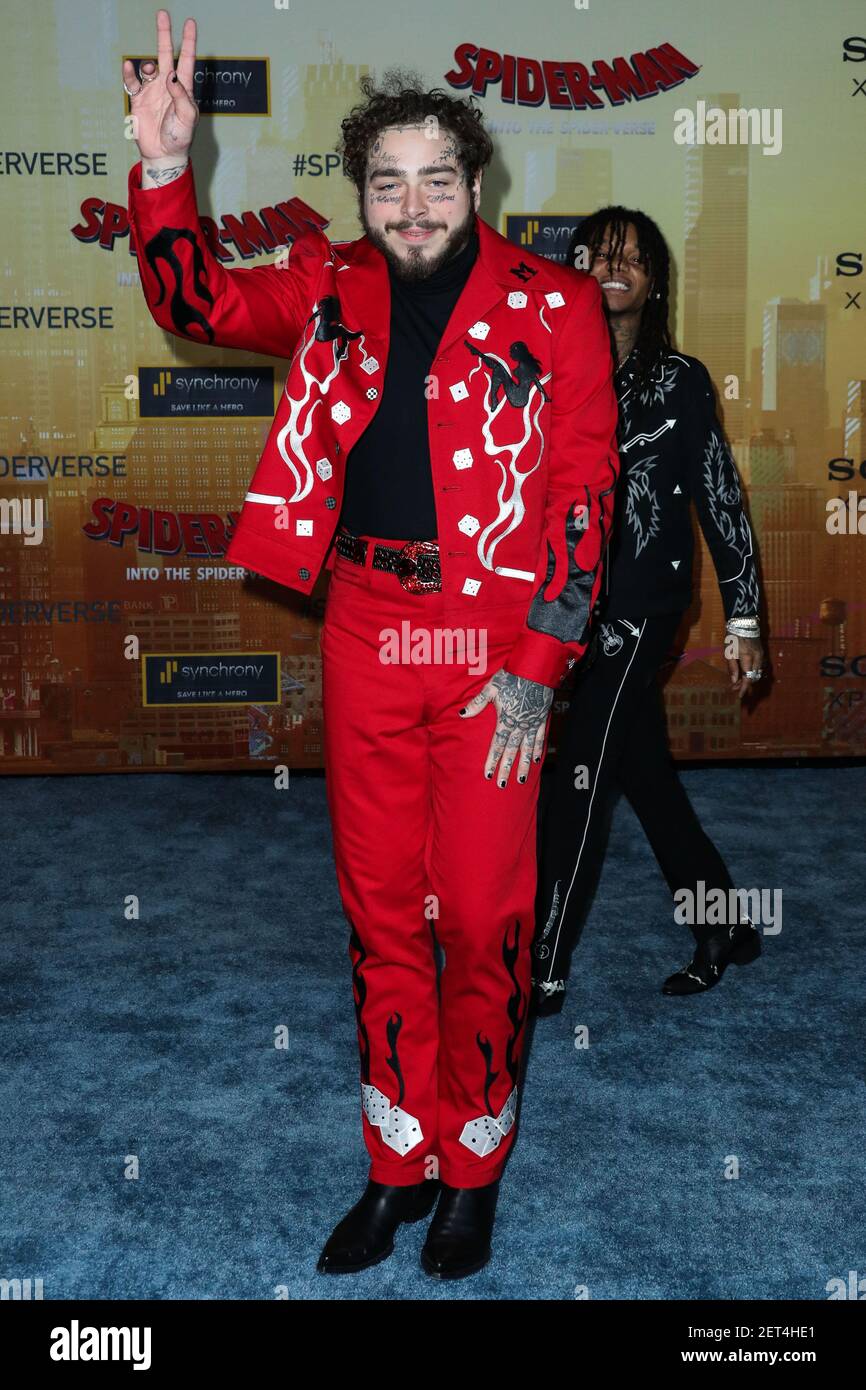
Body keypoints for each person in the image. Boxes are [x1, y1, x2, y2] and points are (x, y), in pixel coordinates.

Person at [123, 12, 619, 1277]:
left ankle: (473, 1165)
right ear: (363, 194)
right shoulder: (324, 281)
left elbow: (579, 491)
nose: (411, 206)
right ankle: (396, 1163)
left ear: (474, 185)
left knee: (488, 912)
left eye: (434, 181)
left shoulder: (554, 304)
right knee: (380, 905)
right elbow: (198, 296)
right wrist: (164, 165)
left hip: (498, 645)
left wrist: (540, 664)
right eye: (385, 185)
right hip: (365, 625)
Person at [532, 206, 765, 1016]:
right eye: (601, 254)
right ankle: (725, 922)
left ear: (655, 280)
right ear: (573, 268)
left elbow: (720, 497)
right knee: (643, 771)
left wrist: (743, 621)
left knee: (580, 775)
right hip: (567, 601)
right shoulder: (546, 371)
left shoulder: (681, 380)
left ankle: (544, 965)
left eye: (635, 257)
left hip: (644, 604)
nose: (616, 266)